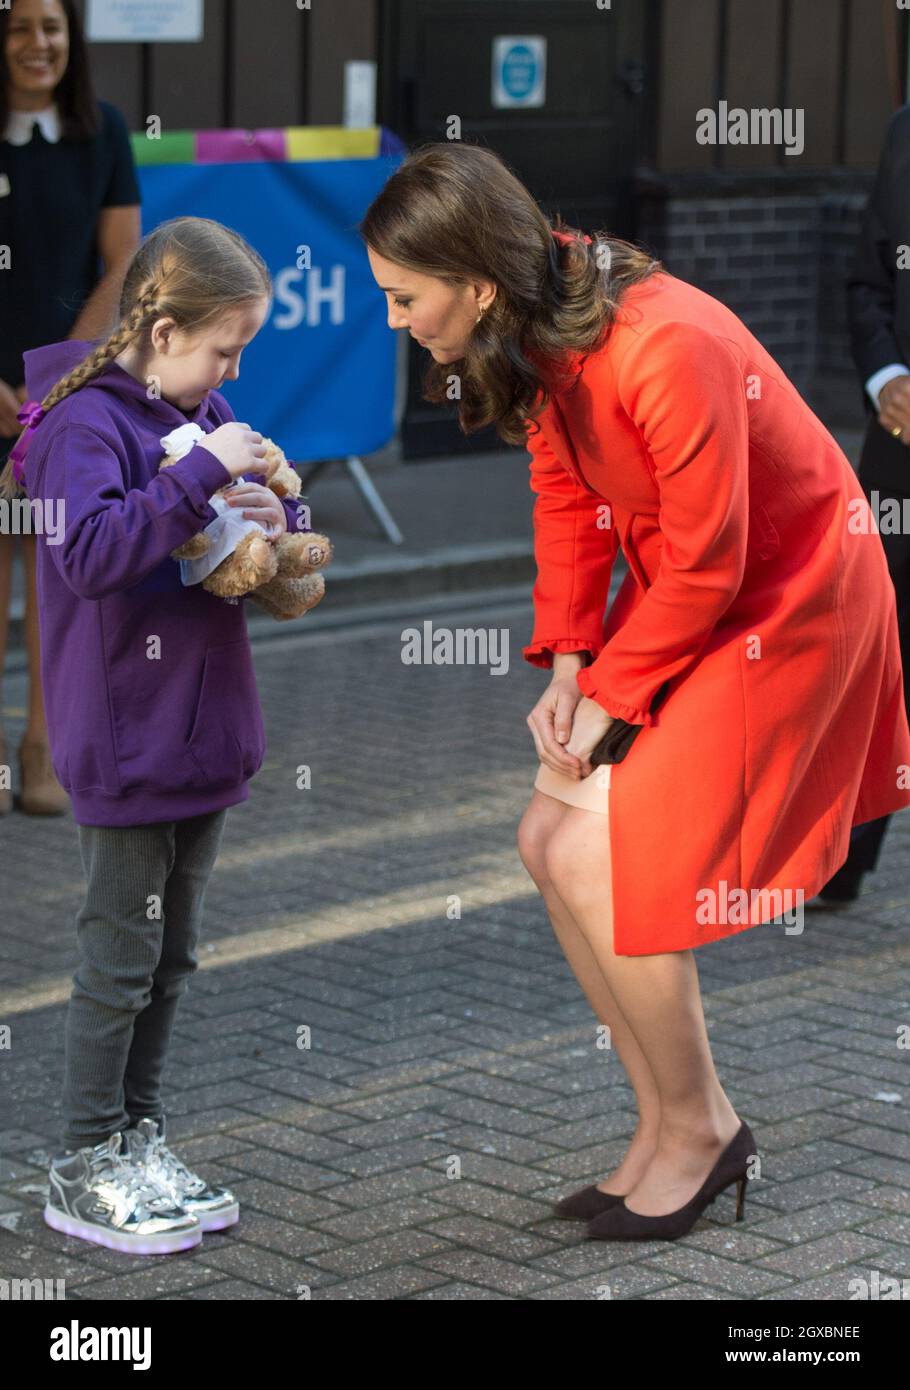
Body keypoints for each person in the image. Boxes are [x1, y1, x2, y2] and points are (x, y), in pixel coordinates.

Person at [361, 142, 910, 1243]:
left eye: (403, 297)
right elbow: (566, 486)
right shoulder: (540, 318)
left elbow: (711, 562)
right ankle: (664, 1124)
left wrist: (609, 698)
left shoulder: (664, 343)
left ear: (472, 282)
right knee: (544, 839)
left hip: (791, 600)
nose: (394, 321)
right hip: (701, 597)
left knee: (612, 856)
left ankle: (703, 1127)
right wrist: (568, 663)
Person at [0, 216, 306, 1255]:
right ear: (162, 326)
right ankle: (82, 1161)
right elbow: (86, 554)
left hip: (200, 737)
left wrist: (262, 507)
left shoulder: (194, 404)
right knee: (118, 959)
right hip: (129, 742)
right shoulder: (80, 428)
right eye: (224, 347)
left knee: (170, 958)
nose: (232, 371)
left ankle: (137, 1139)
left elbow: (212, 540)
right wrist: (195, 478)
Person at [0, 0, 140, 815]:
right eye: (18, 26)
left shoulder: (105, 130)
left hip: (64, 398)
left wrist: (59, 381)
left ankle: (43, 751)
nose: (37, 43)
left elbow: (124, 259)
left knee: (52, 579)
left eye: (51, 27)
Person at [815, 102, 910, 905]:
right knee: (875, 654)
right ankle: (840, 857)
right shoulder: (906, 129)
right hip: (901, 456)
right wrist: (886, 380)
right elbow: (867, 282)